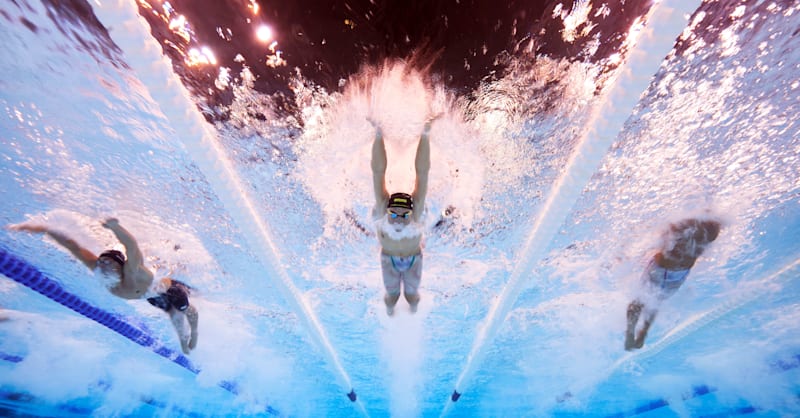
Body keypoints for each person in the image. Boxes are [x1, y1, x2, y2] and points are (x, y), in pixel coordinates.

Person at [9, 218, 199, 354]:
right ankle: (184, 337)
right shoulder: (97, 267)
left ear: (120, 267)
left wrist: (115, 227)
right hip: (149, 296)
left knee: (184, 312)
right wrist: (44, 229)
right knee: (173, 316)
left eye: (109, 265)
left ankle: (193, 333)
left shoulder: (131, 272)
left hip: (169, 289)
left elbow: (132, 247)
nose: (104, 267)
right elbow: (72, 246)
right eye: (102, 263)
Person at [368, 115, 435, 316]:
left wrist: (425, 134)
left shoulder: (416, 213)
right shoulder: (381, 210)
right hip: (388, 259)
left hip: (414, 258)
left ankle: (413, 310)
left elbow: (422, 173)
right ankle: (390, 313)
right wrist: (378, 135)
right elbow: (377, 172)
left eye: (402, 215)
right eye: (394, 214)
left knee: (412, 297)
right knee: (392, 298)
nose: (397, 220)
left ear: (410, 211)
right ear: (387, 208)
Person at [625, 218, 721, 351]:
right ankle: (631, 333)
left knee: (654, 300)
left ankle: (639, 333)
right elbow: (667, 234)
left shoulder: (707, 231)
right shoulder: (691, 228)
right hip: (665, 269)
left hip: (675, 273)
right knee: (644, 301)